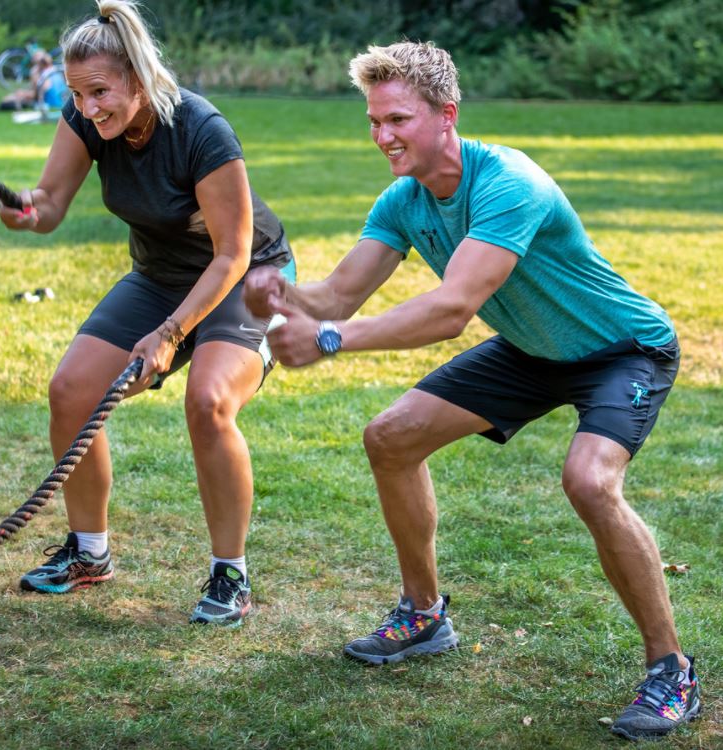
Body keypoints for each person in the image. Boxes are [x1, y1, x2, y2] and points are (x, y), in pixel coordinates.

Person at [244, 41, 697, 741]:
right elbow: (336, 295)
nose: (383, 136)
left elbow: (452, 309)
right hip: (532, 350)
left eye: (398, 119)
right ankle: (424, 615)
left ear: (446, 114)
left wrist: (330, 340)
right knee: (390, 438)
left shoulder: (508, 182)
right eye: (374, 122)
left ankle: (672, 670)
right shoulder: (404, 201)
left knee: (590, 481)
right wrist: (285, 295)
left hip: (623, 350)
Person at [0, 0, 295, 627]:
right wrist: (27, 210)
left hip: (246, 277)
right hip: (161, 276)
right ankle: (89, 553)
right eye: (77, 94)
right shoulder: (86, 118)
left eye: (100, 92)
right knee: (72, 390)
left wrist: (171, 333)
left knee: (208, 401)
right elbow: (50, 203)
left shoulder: (201, 130)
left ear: (137, 79)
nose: (87, 107)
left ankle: (231, 575)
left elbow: (233, 252)